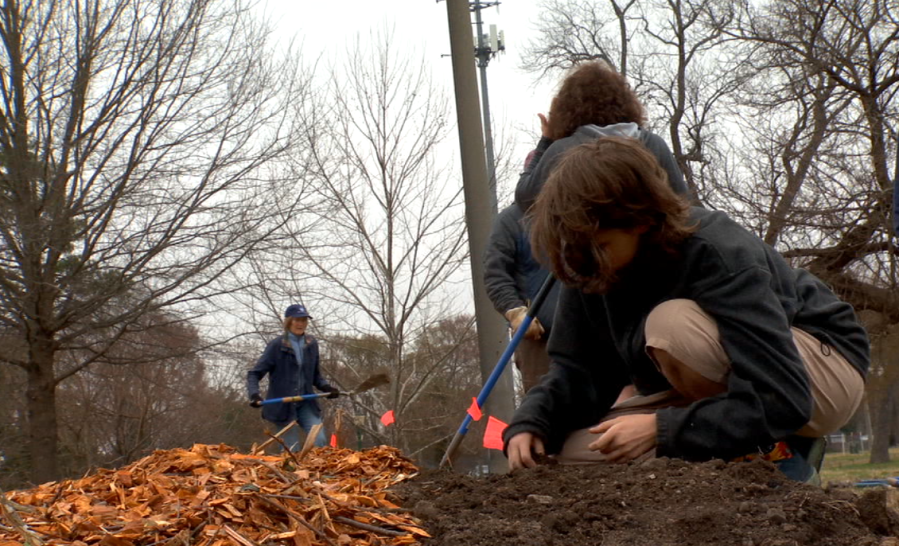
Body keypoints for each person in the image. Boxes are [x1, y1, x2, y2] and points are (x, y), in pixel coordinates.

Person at [502, 137, 870, 483]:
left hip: (813, 376)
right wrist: (533, 422)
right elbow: (578, 371)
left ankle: (777, 453)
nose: (585, 263)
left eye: (600, 245)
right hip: (727, 392)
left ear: (643, 222)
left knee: (670, 325)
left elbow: (782, 398)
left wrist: (659, 428)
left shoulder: (716, 251)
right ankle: (729, 450)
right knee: (576, 451)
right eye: (575, 249)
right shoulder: (593, 266)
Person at [515, 60, 689, 213]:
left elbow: (526, 199)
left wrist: (546, 140)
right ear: (625, 102)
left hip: (583, 247)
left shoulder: (563, 150)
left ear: (567, 109)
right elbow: (684, 204)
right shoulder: (651, 143)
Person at [484, 202, 561, 392]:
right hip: (539, 337)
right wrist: (516, 312)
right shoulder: (511, 220)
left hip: (588, 330)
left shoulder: (578, 210)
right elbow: (496, 275)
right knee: (547, 403)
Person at [247, 304, 339, 450]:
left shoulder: (311, 344)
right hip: (283, 405)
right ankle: (292, 472)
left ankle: (315, 472)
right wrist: (254, 395)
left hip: (306, 402)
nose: (300, 324)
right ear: (289, 321)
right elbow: (254, 373)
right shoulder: (277, 345)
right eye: (297, 320)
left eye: (303, 320)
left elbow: (315, 376)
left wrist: (327, 387)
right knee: (291, 448)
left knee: (319, 440)